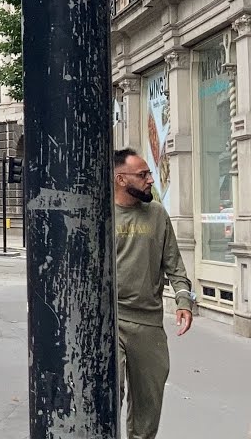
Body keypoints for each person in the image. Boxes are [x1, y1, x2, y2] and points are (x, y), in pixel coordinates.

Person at [113, 147, 194, 439]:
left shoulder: (157, 214)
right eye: (143, 174)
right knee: (110, 394)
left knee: (148, 408)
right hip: (111, 320)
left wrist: (184, 301)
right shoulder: (102, 214)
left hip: (148, 323)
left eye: (149, 174)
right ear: (121, 179)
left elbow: (174, 264)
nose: (150, 180)